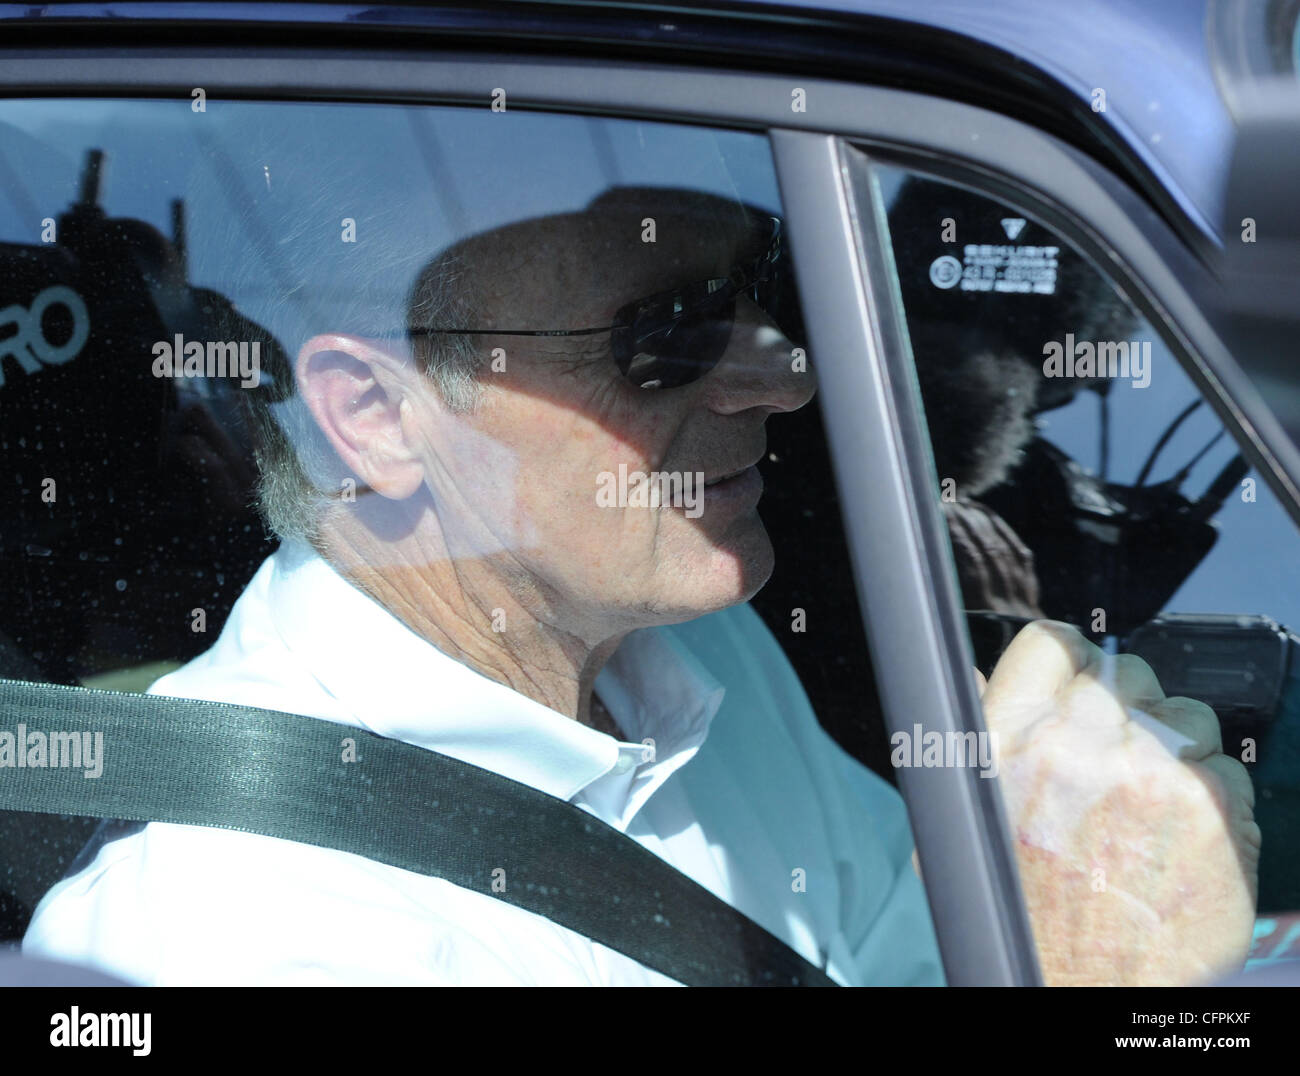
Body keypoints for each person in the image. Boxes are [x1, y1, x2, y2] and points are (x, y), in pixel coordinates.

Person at [22, 186, 1258, 986]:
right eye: (668, 330)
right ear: (376, 418)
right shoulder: (217, 940)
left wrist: (1047, 883)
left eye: (760, 301)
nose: (783, 376)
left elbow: (897, 957)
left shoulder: (699, 661)